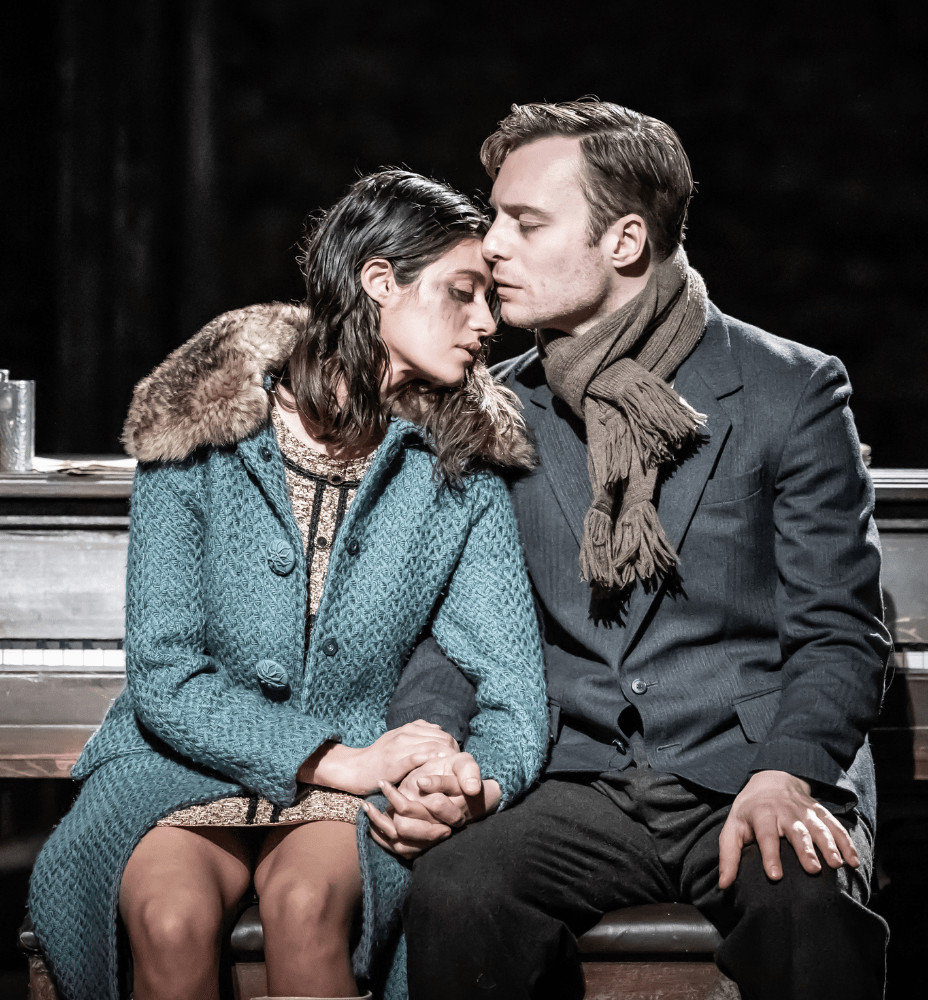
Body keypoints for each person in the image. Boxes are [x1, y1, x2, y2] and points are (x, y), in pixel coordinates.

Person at [379, 101, 893, 1000]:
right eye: (494, 215)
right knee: (458, 890)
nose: (489, 244)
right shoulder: (491, 406)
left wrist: (788, 771)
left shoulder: (792, 390)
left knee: (806, 909)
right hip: (576, 778)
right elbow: (456, 628)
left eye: (525, 222)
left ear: (623, 241)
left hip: (754, 764)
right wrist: (433, 752)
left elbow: (842, 635)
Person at [27, 169, 548, 1000]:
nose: (489, 323)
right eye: (463, 292)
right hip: (176, 763)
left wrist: (473, 782)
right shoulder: (201, 429)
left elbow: (515, 693)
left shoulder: (462, 470)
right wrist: (339, 760)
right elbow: (165, 675)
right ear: (381, 281)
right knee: (170, 919)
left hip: (356, 785)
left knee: (306, 907)